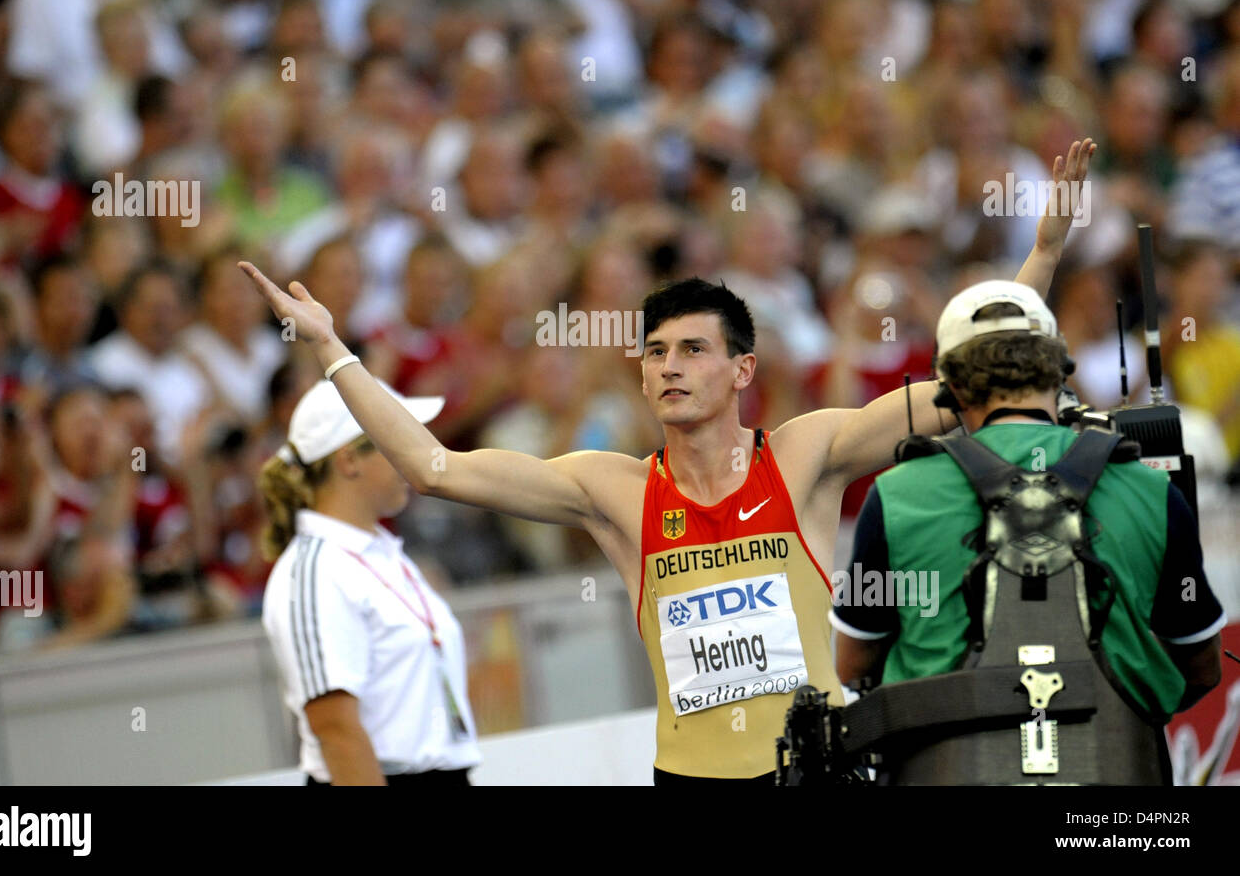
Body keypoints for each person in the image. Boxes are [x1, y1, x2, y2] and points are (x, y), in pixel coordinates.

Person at [241, 140, 1099, 783]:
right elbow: (434, 467)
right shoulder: (610, 487)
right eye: (654, 353)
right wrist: (333, 352)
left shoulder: (805, 454)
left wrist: (1045, 256)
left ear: (742, 370)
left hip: (815, 772)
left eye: (692, 349)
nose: (669, 367)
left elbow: (972, 384)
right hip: (687, 780)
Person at [831, 280, 1226, 783]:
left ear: (949, 388)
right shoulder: (1148, 489)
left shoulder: (896, 494)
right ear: (1059, 370)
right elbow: (1202, 666)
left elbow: (854, 665)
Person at [259, 377, 482, 786]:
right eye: (394, 440)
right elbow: (337, 731)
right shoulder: (315, 570)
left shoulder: (381, 553)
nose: (413, 455)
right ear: (348, 460)